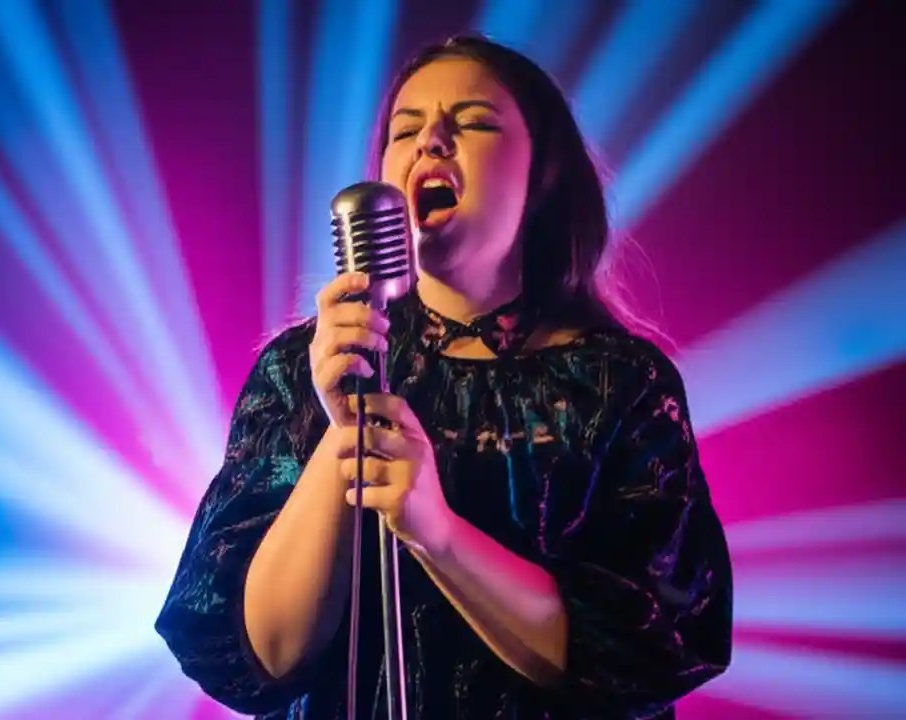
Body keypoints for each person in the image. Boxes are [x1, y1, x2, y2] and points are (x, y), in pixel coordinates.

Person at [154, 34, 732, 719]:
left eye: (474, 122)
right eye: (406, 128)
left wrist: (438, 532)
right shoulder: (298, 373)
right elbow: (261, 656)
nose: (431, 139)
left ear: (542, 175)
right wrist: (342, 439)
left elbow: (644, 650)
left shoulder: (619, 384)